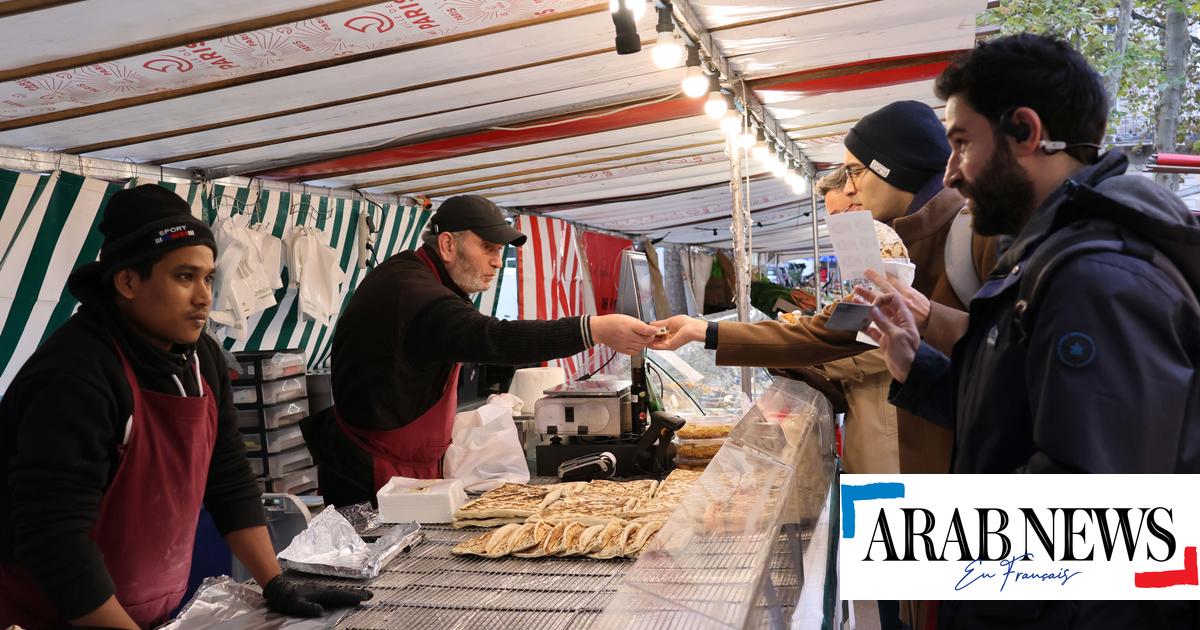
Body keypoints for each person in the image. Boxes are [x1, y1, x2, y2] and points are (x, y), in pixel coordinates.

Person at [860, 34, 1200, 629]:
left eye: (962, 144)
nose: (952, 175)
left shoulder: (1098, 279)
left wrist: (886, 537)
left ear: (1025, 130)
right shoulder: (1049, 254)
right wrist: (922, 370)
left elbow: (1092, 515)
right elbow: (1023, 420)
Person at [0, 186, 369, 629]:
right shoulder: (76, 376)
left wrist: (275, 582)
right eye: (184, 277)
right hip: (45, 614)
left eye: (209, 278)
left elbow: (228, 476)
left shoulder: (202, 360)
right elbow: (54, 540)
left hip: (143, 610)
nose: (204, 297)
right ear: (128, 281)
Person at [652, 100, 997, 475]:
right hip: (919, 465)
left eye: (855, 172)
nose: (851, 190)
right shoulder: (890, 247)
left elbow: (1026, 350)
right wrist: (706, 330)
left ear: (891, 168)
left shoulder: (982, 233)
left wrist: (931, 319)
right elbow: (835, 330)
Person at [304, 195, 659, 507]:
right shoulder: (417, 294)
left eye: (500, 251)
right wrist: (592, 329)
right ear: (447, 245)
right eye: (487, 247)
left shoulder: (418, 277)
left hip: (398, 463)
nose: (496, 261)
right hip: (371, 471)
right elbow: (493, 338)